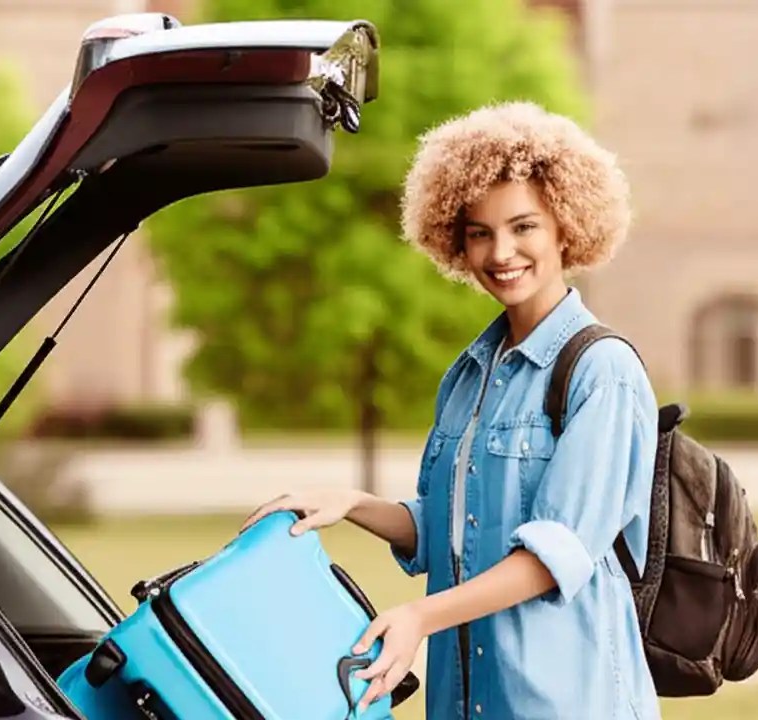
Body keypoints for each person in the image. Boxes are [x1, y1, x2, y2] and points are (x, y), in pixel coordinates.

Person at [242, 101, 660, 719]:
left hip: (567, 700)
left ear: (566, 228)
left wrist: (419, 618)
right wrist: (352, 503)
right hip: (466, 702)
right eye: (479, 233)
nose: (501, 253)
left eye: (524, 227)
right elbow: (449, 533)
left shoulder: (604, 372)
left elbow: (552, 559)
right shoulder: (467, 376)